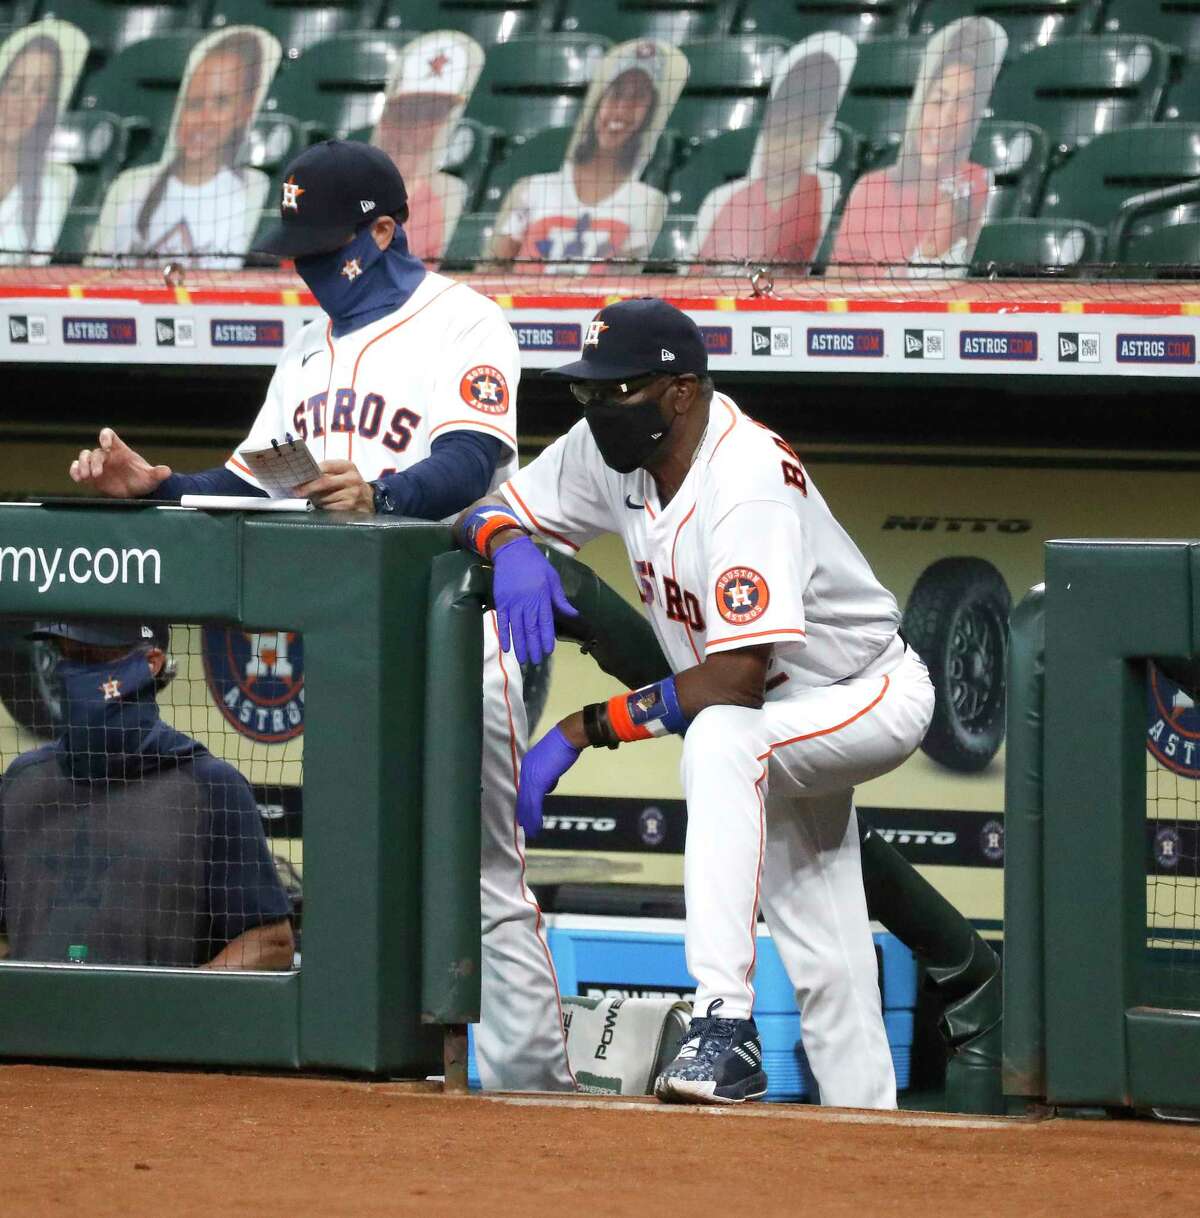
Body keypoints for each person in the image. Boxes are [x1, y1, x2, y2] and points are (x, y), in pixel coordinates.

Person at [67, 139, 575, 1093]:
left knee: (477, 872)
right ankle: (412, 1079)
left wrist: (382, 493)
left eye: (326, 247)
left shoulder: (464, 321)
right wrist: (163, 485)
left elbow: (470, 460)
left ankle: (534, 1091)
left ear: (385, 231)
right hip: (357, 649)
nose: (307, 267)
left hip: (464, 625)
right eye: (296, 247)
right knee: (370, 864)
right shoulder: (306, 354)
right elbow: (252, 483)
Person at [453, 298, 935, 1106]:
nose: (599, 408)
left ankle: (722, 1024)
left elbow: (734, 680)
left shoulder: (745, 478)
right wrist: (506, 546)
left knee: (719, 742)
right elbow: (491, 507)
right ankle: (868, 1135)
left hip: (863, 694)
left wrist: (578, 729)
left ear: (680, 392)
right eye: (588, 392)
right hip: (774, 716)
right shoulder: (608, 453)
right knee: (828, 953)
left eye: (618, 390)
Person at [0, 620, 294, 970]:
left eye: (94, 657)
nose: (76, 671)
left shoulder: (212, 787)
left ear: (151, 662)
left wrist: (168, 1009)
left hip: (155, 1023)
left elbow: (271, 940)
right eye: (68, 656)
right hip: (38, 1022)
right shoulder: (21, 782)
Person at [87, 27, 280, 269]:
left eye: (221, 102)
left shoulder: (248, 194)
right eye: (195, 103)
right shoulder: (132, 189)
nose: (204, 118)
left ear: (245, 112)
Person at [491, 40, 686, 273]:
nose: (622, 109)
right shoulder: (533, 189)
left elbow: (623, 289)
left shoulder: (646, 203)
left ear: (650, 111)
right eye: (616, 94)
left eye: (637, 97)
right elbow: (493, 271)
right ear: (599, 103)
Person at [830, 18, 1005, 278]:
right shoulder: (869, 190)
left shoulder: (979, 183)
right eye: (938, 101)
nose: (945, 121)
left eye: (962, 104)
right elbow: (835, 288)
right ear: (919, 106)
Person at [690, 34, 853, 274]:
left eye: (799, 132)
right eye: (778, 131)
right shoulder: (725, 200)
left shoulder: (821, 192)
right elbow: (696, 280)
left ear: (819, 135)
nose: (783, 145)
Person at [371, 30, 483, 262]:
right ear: (386, 119)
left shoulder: (445, 200)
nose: (420, 127)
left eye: (433, 115)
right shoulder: (347, 187)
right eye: (410, 113)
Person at [0, 20, 88, 265]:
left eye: (38, 90)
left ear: (48, 106)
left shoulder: (53, 191)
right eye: (15, 87)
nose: (23, 103)